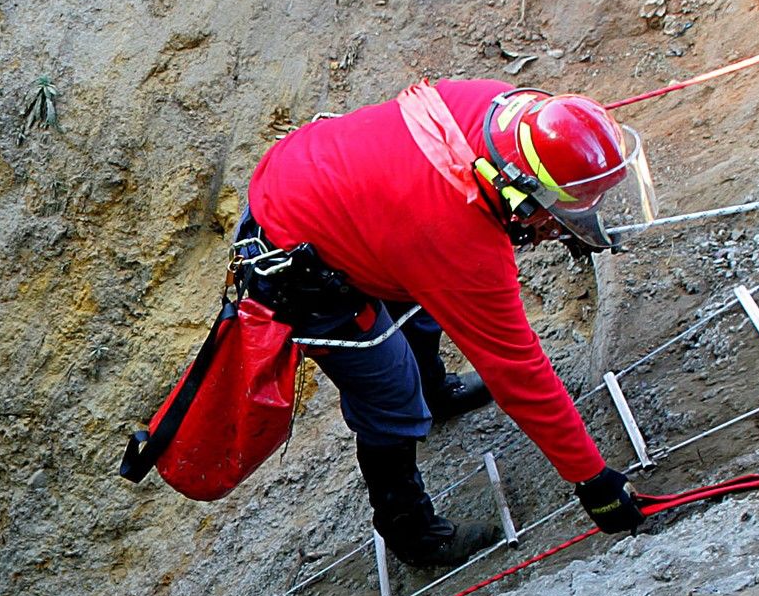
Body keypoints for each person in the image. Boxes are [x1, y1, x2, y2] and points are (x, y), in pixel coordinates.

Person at [241, 79, 655, 567]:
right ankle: (412, 532)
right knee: (388, 391)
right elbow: (518, 373)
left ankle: (435, 393)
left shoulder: (506, 112)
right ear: (523, 193)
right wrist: (593, 481)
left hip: (331, 187)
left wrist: (569, 220)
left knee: (420, 312)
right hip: (297, 262)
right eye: (558, 210)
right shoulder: (459, 241)